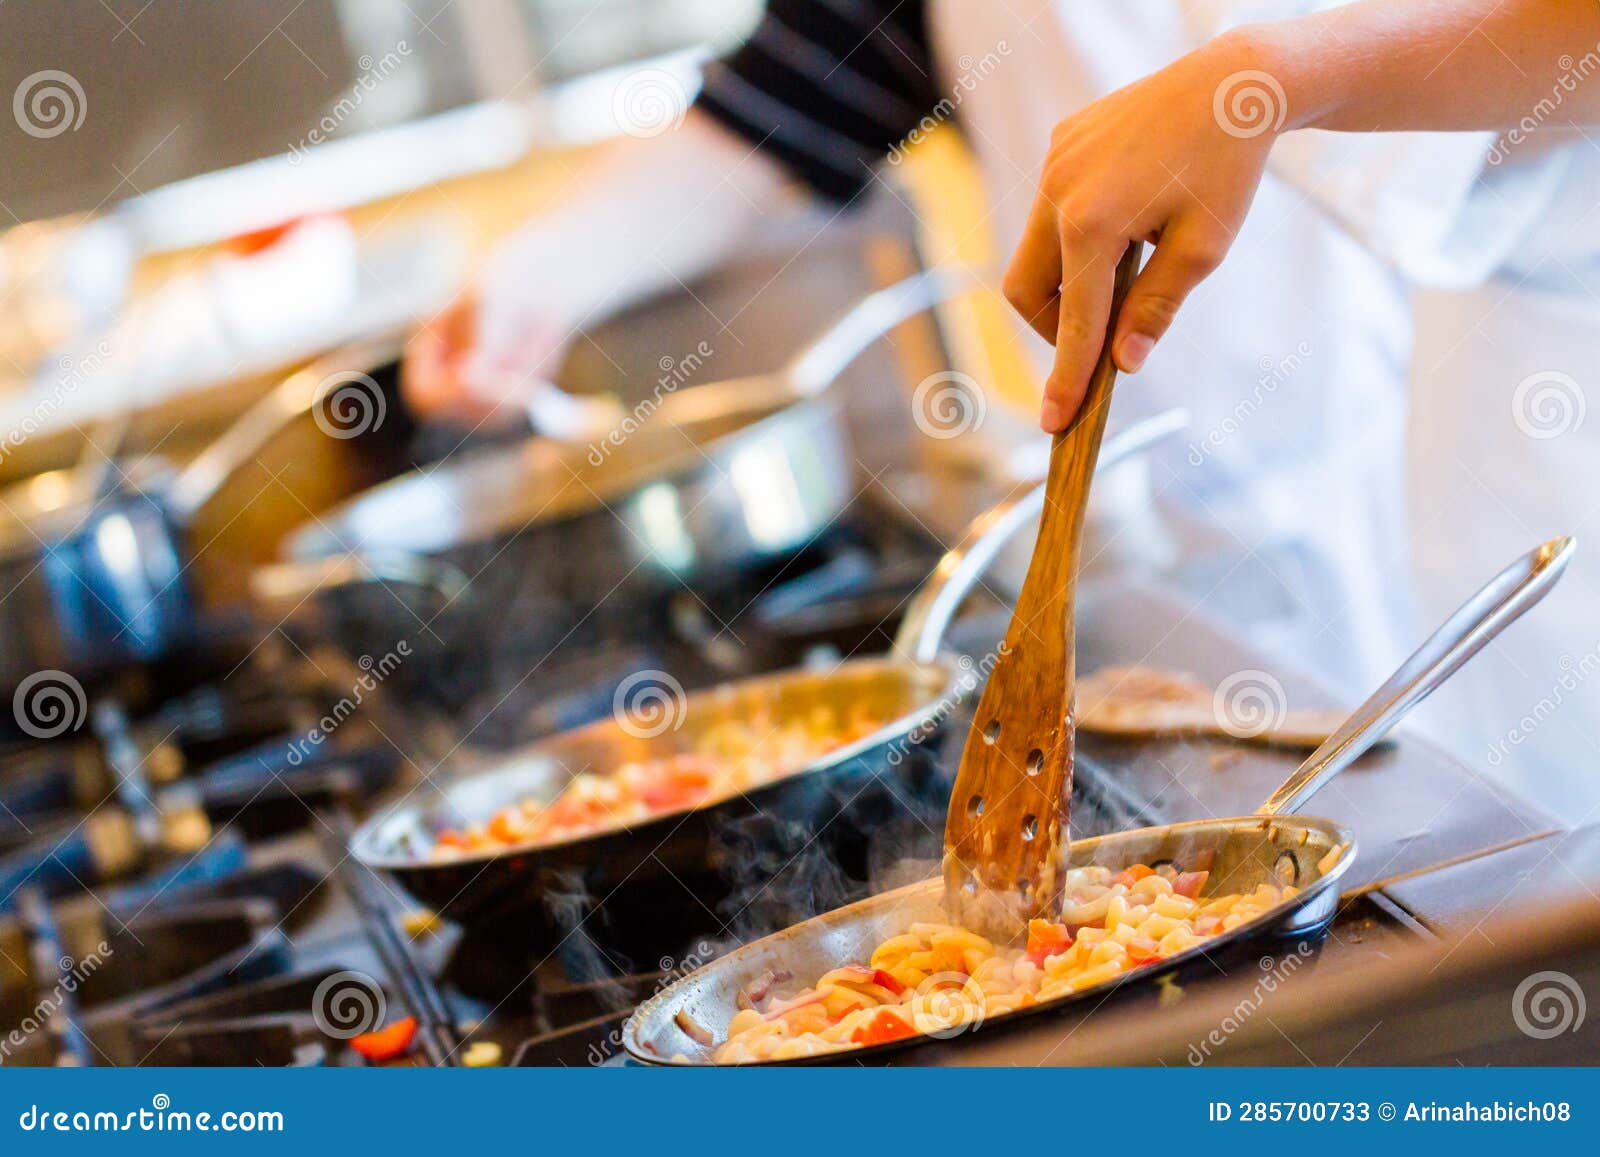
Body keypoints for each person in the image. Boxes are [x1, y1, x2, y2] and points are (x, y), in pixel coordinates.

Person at [405, 1, 1600, 820]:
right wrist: (535, 276)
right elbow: (789, 104)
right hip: (1168, 536)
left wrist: (1263, 87)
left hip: (1481, 437)